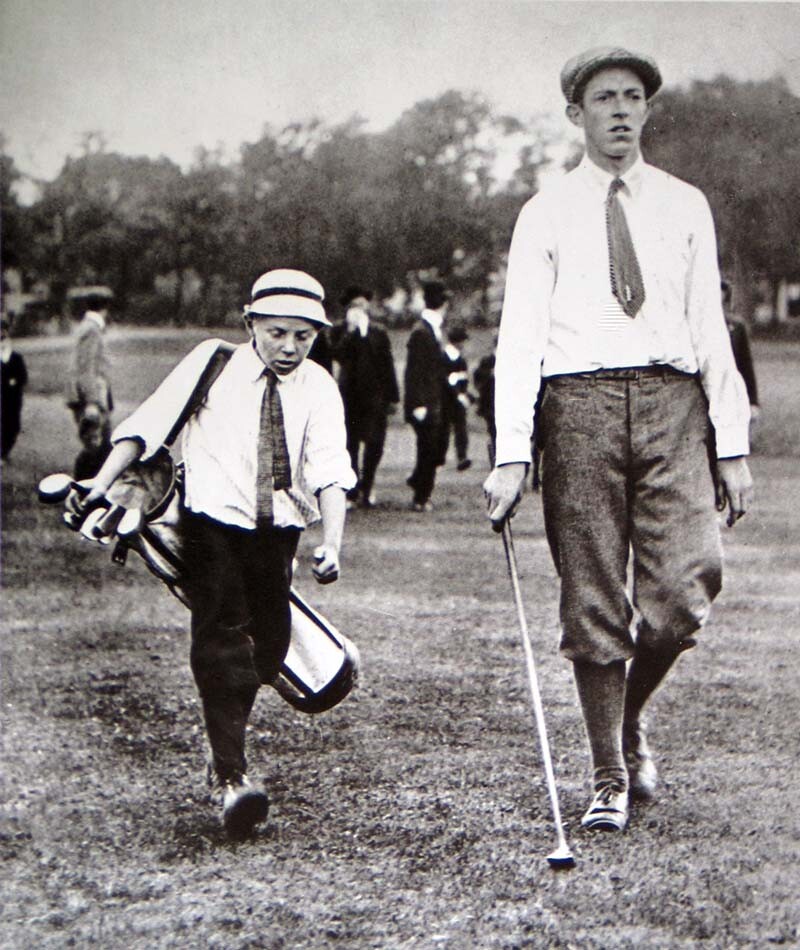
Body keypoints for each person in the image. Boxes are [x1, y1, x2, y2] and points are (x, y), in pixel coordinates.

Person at [484, 47, 754, 833]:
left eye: (634, 96)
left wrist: (729, 443)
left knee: (683, 591)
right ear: (577, 114)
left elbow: (711, 326)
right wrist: (509, 455)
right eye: (604, 98)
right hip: (579, 407)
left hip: (674, 402)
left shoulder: (684, 203)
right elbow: (520, 338)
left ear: (648, 109)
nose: (621, 110)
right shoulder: (545, 212)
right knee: (593, 593)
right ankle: (608, 770)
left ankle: (628, 718)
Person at [77, 269, 356, 837]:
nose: (289, 347)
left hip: (278, 533)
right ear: (249, 322)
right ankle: (232, 777)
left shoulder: (319, 385)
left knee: (270, 648)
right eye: (277, 333)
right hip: (212, 527)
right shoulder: (214, 362)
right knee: (221, 638)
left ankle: (224, 749)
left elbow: (330, 468)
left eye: (304, 336)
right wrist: (100, 485)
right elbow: (147, 428)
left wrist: (332, 541)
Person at [336, 286, 400, 508]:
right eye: (356, 306)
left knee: (374, 445)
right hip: (348, 399)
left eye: (364, 306)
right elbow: (338, 353)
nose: (361, 310)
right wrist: (352, 332)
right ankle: (351, 491)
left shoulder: (378, 333)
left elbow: (387, 365)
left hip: (374, 399)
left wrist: (393, 397)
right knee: (349, 446)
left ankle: (367, 486)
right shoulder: (339, 331)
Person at [403, 280, 450, 511]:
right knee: (429, 449)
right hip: (426, 402)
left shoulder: (431, 329)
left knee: (433, 448)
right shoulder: (423, 331)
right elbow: (415, 371)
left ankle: (419, 485)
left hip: (434, 400)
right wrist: (419, 403)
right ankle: (421, 496)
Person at [66, 288, 114, 479]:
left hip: (91, 395)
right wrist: (92, 402)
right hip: (91, 398)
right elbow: (86, 369)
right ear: (106, 308)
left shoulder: (88, 327)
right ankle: (82, 489)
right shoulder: (92, 330)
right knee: (97, 446)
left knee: (101, 446)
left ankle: (89, 487)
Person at [721, 279, 760, 425]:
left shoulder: (737, 327)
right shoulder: (696, 328)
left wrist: (753, 402)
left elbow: (746, 365)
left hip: (731, 394)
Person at [441, 324, 472, 471]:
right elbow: (445, 380)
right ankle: (439, 458)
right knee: (444, 430)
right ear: (457, 341)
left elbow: (463, 379)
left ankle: (462, 457)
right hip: (446, 400)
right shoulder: (444, 357)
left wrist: (465, 394)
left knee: (461, 429)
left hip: (458, 400)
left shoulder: (461, 359)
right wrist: (458, 394)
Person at [1, 317, 28, 462]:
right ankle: (2, 453)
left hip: (13, 397)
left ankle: (5, 451)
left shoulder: (15, 357)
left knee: (13, 425)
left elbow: (23, 376)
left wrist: (14, 382)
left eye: (4, 330)